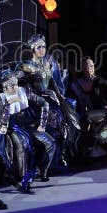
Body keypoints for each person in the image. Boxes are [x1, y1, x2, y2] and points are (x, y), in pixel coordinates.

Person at [0, 70, 53, 192]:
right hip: (12, 130)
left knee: (50, 142)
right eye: (11, 85)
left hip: (28, 126)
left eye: (15, 84)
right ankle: (23, 178)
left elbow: (44, 103)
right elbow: (1, 122)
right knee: (23, 146)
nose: (15, 87)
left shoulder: (24, 92)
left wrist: (42, 124)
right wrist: (7, 105)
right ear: (4, 87)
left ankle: (42, 170)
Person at [18, 34, 80, 164]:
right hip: (36, 100)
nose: (42, 49)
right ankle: (52, 156)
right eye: (39, 47)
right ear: (33, 49)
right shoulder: (27, 65)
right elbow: (22, 81)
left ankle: (66, 151)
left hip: (50, 96)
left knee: (70, 115)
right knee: (57, 119)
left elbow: (53, 80)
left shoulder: (48, 62)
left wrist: (58, 93)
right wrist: (27, 74)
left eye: (44, 47)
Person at [66, 56, 107, 157]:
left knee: (87, 117)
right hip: (90, 114)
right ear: (82, 68)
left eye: (91, 66)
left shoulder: (98, 81)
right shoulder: (77, 83)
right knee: (93, 133)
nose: (89, 68)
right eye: (86, 66)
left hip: (104, 113)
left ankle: (83, 147)